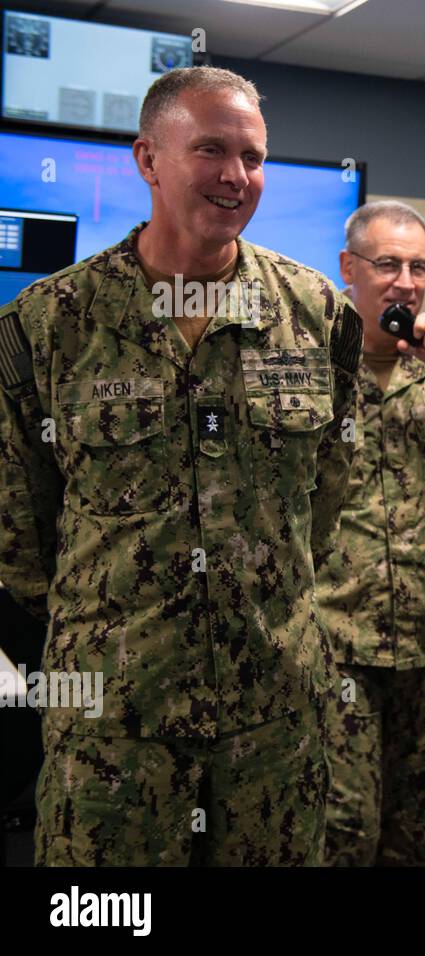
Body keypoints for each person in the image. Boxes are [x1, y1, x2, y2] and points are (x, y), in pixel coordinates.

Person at [0, 66, 361, 865]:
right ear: (147, 159)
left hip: (273, 722)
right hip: (113, 729)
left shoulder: (317, 316)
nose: (236, 176)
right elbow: (19, 538)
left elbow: (330, 498)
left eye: (253, 156)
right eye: (210, 150)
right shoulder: (48, 325)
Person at [317, 200, 425, 866]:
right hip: (340, 643)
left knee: (414, 835)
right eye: (389, 264)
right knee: (343, 830)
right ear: (349, 269)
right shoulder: (311, 369)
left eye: (419, 267)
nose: (407, 282)